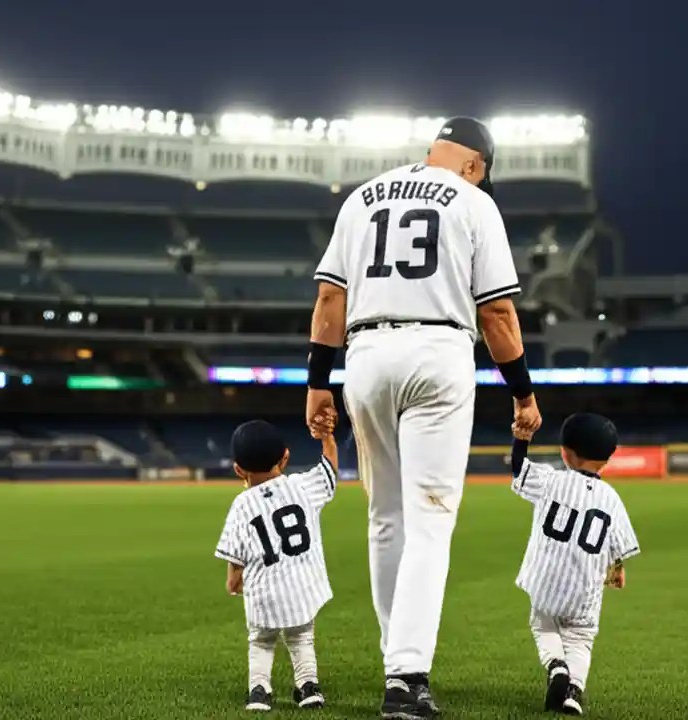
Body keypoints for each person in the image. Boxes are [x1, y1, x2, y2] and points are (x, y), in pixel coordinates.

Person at [304, 116, 543, 719]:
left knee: (386, 521)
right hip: (437, 354)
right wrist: (522, 393)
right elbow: (498, 315)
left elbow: (331, 298)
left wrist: (316, 383)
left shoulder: (362, 197)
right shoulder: (473, 202)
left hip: (364, 357)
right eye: (483, 173)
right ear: (472, 164)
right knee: (431, 522)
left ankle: (398, 658)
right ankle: (406, 677)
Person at [509, 413, 641, 716]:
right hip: (584, 590)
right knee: (580, 641)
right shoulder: (612, 498)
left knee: (543, 626)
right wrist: (617, 570)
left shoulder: (551, 480)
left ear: (564, 452)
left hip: (545, 581)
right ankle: (574, 690)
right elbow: (617, 544)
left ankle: (556, 667)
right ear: (608, 459)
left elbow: (519, 470)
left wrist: (522, 438)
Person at [215, 420, 339, 713]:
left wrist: (233, 577)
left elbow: (236, 552)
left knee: (261, 641)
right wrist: (327, 438)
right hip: (301, 588)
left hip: (263, 592)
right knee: (301, 637)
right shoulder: (301, 487)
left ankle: (259, 691)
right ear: (285, 457)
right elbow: (329, 469)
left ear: (237, 469)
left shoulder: (242, 504)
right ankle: (308, 687)